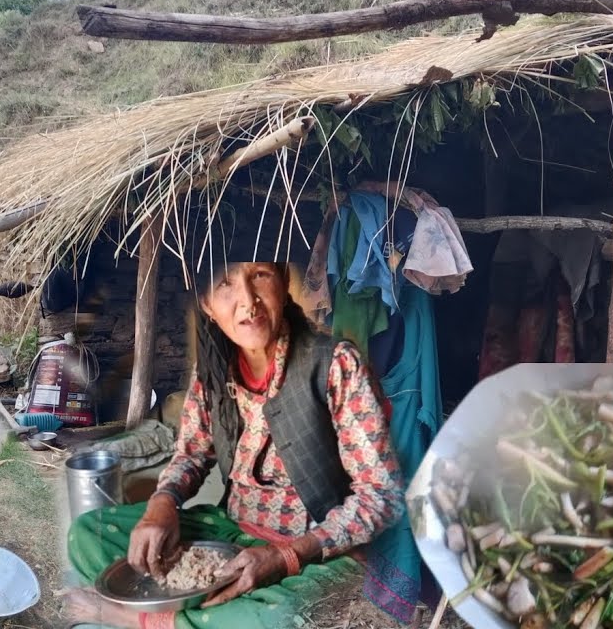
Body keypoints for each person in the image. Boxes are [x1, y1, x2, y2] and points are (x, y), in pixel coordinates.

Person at [62, 262, 406, 628]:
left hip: (316, 549)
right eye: (225, 283)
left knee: (278, 618)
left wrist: (285, 556)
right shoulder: (213, 369)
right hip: (230, 529)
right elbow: (192, 454)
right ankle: (199, 613)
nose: (247, 301)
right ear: (207, 303)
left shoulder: (335, 364)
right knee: (89, 533)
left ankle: (145, 619)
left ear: (283, 282)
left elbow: (380, 496)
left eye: (259, 275)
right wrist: (162, 504)